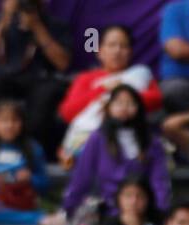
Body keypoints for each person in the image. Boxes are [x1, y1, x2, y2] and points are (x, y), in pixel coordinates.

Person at [58, 84, 170, 225]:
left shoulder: (151, 141)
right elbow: (82, 176)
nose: (124, 108)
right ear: (109, 108)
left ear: (139, 108)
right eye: (118, 103)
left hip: (142, 208)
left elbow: (159, 180)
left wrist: (161, 209)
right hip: (107, 207)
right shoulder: (97, 138)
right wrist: (67, 208)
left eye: (130, 103)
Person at [56, 24, 162, 164]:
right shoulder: (86, 78)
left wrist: (122, 95)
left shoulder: (140, 75)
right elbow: (67, 112)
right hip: (91, 140)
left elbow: (157, 100)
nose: (117, 51)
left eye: (123, 46)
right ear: (100, 51)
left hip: (129, 137)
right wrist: (103, 89)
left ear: (130, 51)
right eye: (111, 45)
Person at [0, 0, 71, 156]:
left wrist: (37, 27)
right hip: (7, 78)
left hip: (41, 79)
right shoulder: (1, 21)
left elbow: (62, 64)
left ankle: (33, 153)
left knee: (47, 95)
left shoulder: (55, 25)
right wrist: (5, 19)